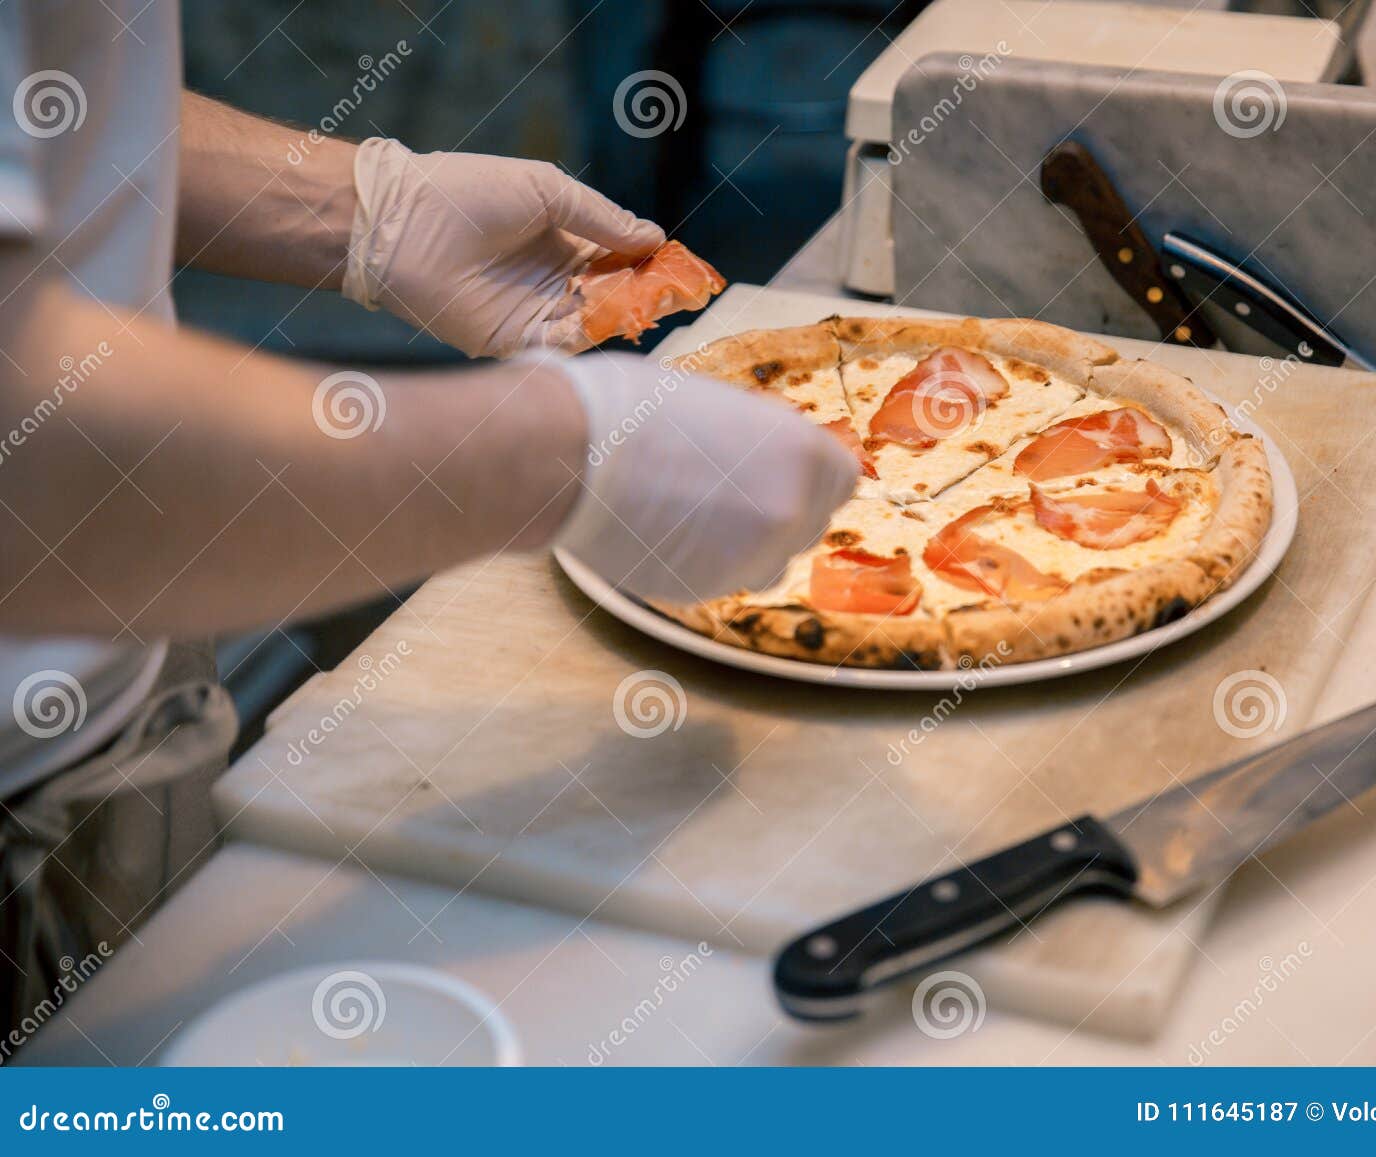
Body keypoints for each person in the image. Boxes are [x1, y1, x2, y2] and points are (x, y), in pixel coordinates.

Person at [0, 2, 855, 1039]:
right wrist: (560, 454)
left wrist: (363, 207)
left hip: (116, 699)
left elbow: (56, 100)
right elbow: (27, 468)